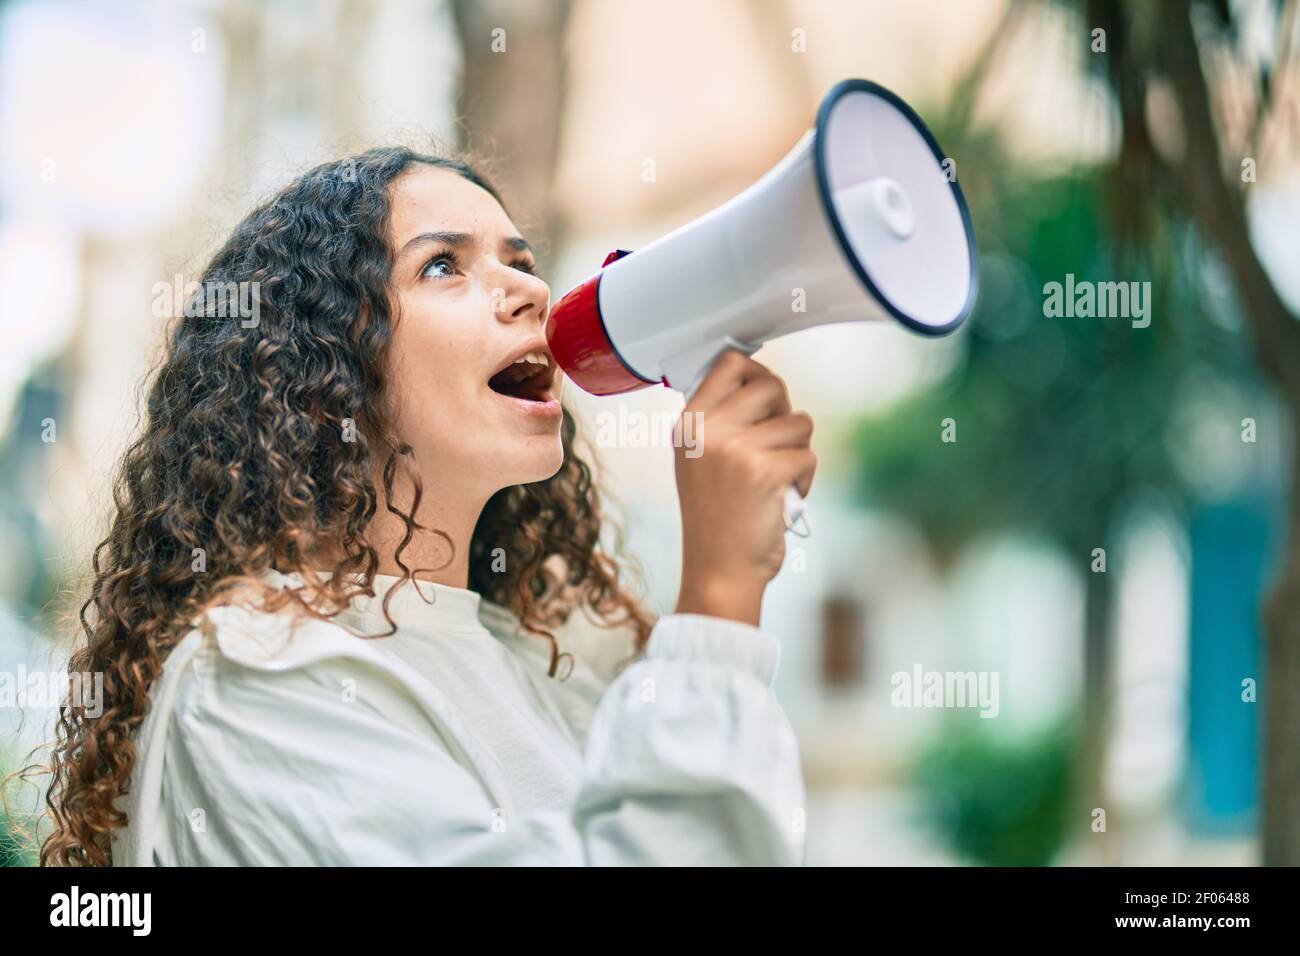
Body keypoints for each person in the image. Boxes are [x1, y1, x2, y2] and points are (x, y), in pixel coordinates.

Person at [34, 146, 818, 866]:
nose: (533, 291)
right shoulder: (252, 676)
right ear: (317, 373)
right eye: (443, 265)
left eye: (522, 261)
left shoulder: (545, 662)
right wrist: (718, 595)